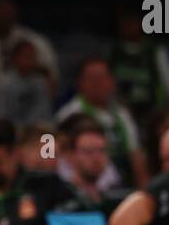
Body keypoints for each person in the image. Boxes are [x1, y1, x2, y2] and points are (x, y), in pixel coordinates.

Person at [54, 56, 148, 188]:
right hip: (77, 180)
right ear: (79, 83)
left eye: (101, 78)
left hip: (116, 177)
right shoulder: (69, 113)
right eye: (91, 78)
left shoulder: (122, 114)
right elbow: (52, 151)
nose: (97, 83)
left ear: (112, 82)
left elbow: (136, 154)